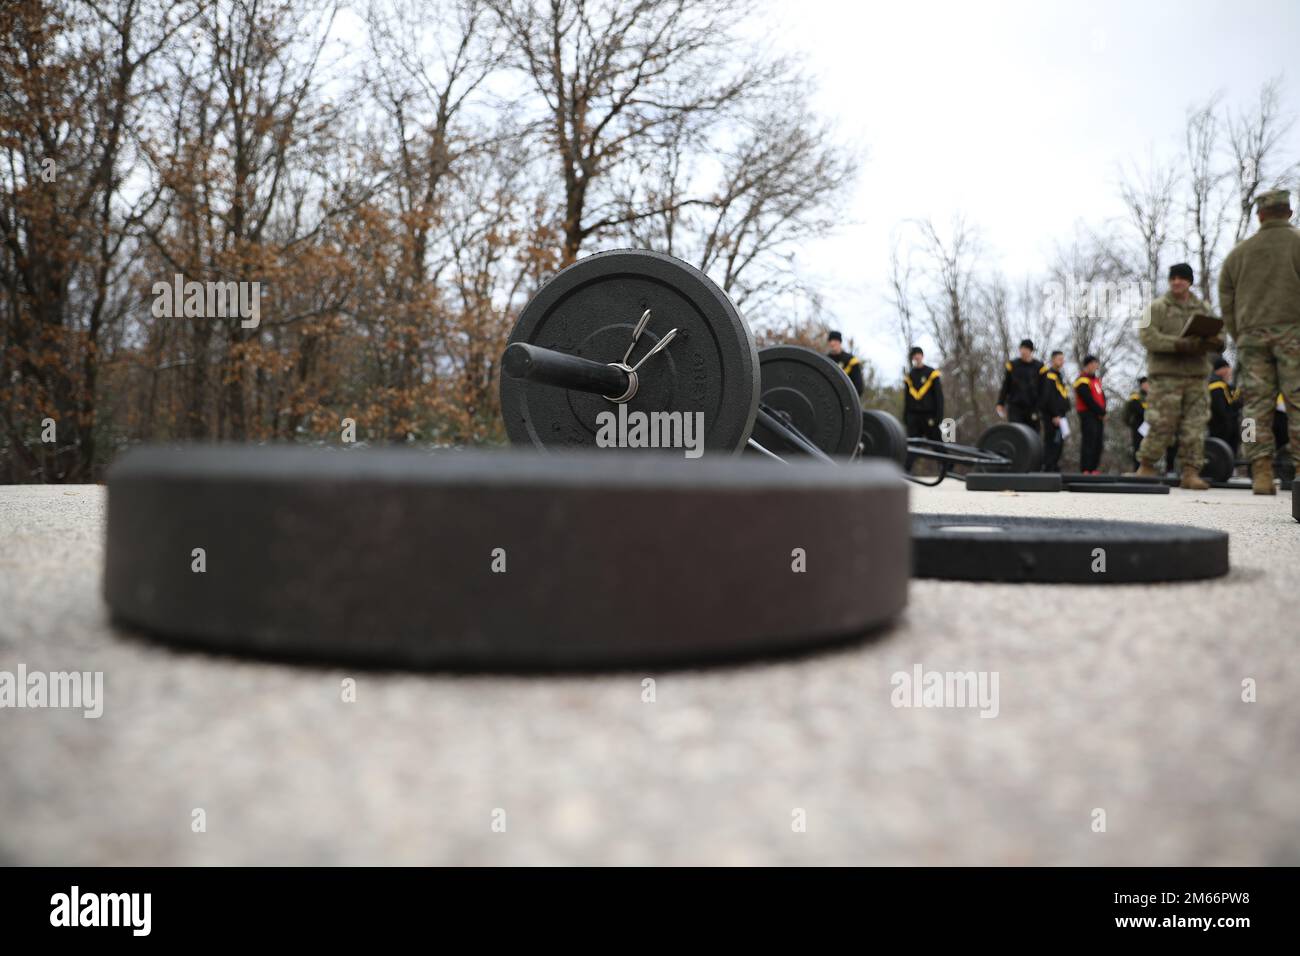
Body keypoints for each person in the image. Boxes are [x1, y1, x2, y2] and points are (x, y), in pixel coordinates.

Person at [1217, 188, 1300, 495]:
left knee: (1254, 409)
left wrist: (1240, 332)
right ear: (1288, 213)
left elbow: (1226, 296)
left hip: (1251, 337)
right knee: (1298, 402)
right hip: (1294, 335)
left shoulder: (1239, 254)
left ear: (1260, 215)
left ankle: (1260, 473)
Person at [1129, 263, 1222, 489]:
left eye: (1182, 278)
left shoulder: (1203, 308)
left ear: (1190, 281)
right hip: (1166, 377)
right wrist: (1178, 344)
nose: (1177, 281)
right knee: (1161, 422)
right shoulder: (1156, 308)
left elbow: (1221, 335)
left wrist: (1211, 341)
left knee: (1195, 425)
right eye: (1173, 278)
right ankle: (1147, 466)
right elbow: (1147, 336)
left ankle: (1190, 472)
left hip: (1196, 377)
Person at [996, 339, 1046, 426]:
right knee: (1016, 432)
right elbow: (1006, 385)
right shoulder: (1012, 365)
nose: (1023, 351)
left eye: (1026, 349)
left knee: (1032, 434)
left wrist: (1040, 407)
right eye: (1021, 348)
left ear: (1031, 351)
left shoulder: (1040, 367)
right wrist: (1000, 403)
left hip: (1033, 407)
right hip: (1016, 406)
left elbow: (1044, 389)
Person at [1039, 350, 1071, 472]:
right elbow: (1048, 397)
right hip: (1053, 416)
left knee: (1059, 442)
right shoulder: (1049, 375)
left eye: (1063, 359)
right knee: (1051, 441)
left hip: (1061, 415)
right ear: (1053, 360)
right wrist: (1055, 414)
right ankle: (1048, 467)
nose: (1061, 361)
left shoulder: (1059, 376)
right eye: (1059, 359)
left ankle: (1054, 465)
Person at [902, 346, 943, 442]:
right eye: (914, 355)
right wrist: (906, 417)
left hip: (929, 416)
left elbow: (939, 397)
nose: (916, 357)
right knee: (911, 448)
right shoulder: (909, 376)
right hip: (914, 417)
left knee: (939, 447)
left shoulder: (931, 373)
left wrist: (938, 417)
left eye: (918, 354)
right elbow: (907, 399)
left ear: (922, 356)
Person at [1073, 355, 1106, 473]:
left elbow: (1102, 396)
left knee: (1098, 442)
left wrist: (1103, 411)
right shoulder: (1081, 380)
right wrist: (1099, 411)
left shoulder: (1096, 381)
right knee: (1089, 441)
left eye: (1096, 364)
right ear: (1087, 365)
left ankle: (1093, 468)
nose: (1095, 366)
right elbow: (1088, 399)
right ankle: (1086, 468)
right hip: (1088, 415)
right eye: (1093, 364)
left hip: (1098, 416)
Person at [1207, 357, 1242, 457]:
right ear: (1223, 369)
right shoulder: (1217, 386)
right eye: (1228, 369)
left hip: (1224, 429)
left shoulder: (1225, 386)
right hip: (1223, 431)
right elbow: (1221, 410)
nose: (1230, 372)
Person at [827, 331, 865, 396]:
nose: (832, 343)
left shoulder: (851, 360)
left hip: (846, 398)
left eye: (835, 340)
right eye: (830, 341)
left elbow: (858, 387)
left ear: (840, 342)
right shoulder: (826, 360)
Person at [1122, 378, 1149, 470]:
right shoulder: (1135, 396)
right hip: (1138, 425)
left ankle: (1147, 468)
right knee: (1138, 447)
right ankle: (1137, 468)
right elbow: (1136, 410)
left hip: (1148, 425)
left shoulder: (1151, 397)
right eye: (1145, 384)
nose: (1147, 386)